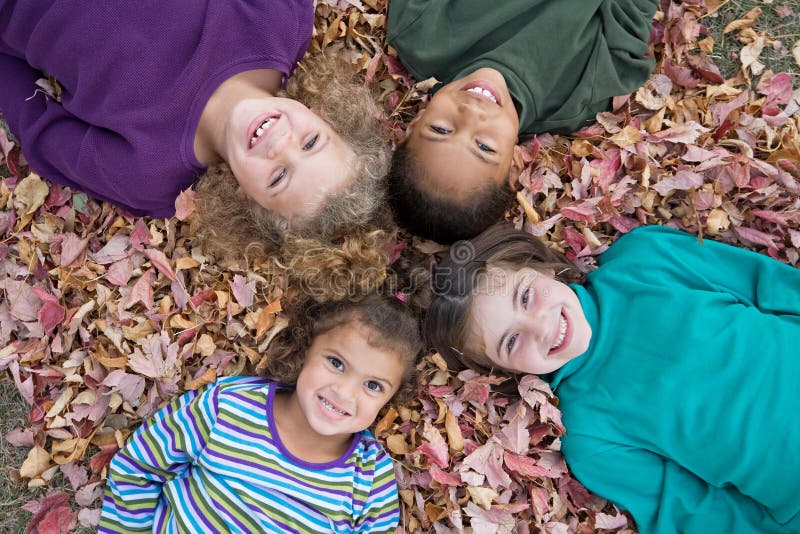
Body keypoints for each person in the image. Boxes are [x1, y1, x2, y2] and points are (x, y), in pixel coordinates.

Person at [424, 223, 800, 533]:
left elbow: (762, 284)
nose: (540, 326)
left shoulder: (644, 257)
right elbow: (693, 511)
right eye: (511, 341)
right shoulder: (590, 436)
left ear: (538, 266)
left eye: (525, 296)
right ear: (506, 372)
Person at [0, 1, 387, 255]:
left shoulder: (147, 174)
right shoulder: (275, 18)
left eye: (279, 177)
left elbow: (40, 128)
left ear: (246, 200)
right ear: (324, 113)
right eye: (311, 141)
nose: (281, 145)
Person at [99, 295, 423, 533]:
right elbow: (139, 466)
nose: (345, 392)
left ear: (393, 397)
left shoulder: (368, 478)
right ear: (306, 347)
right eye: (336, 363)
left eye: (373, 385)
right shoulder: (228, 407)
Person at [386, 0, 657, 243]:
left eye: (441, 129)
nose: (471, 114)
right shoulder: (582, 95)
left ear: (414, 124)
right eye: (484, 146)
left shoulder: (418, 30)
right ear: (515, 163)